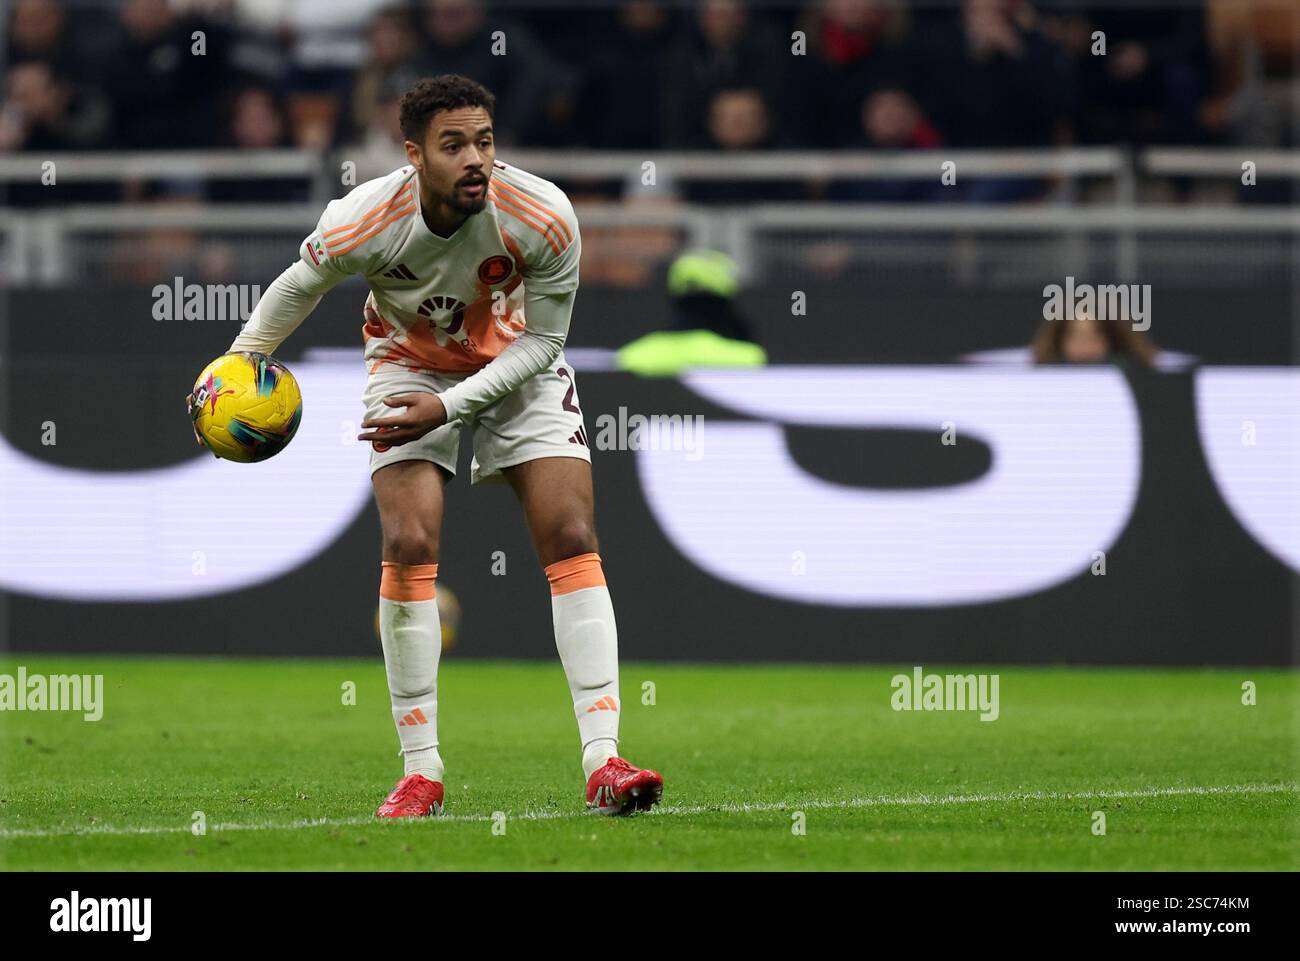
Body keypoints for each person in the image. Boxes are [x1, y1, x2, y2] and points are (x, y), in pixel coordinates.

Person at [192, 74, 663, 818]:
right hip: (406, 361)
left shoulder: (543, 215)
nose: (475, 158)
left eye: (484, 141)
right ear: (414, 156)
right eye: (454, 145)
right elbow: (301, 282)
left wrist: (446, 407)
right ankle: (421, 771)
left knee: (571, 532)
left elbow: (546, 340)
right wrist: (237, 361)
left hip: (517, 362)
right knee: (409, 542)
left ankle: (604, 760)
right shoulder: (365, 217)